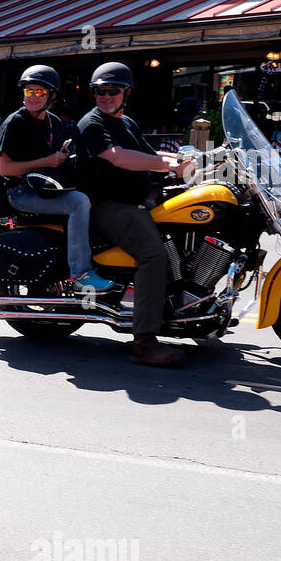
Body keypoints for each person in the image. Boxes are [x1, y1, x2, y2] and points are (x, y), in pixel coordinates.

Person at [76, 61, 194, 367]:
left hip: (135, 203)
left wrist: (188, 160)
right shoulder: (92, 124)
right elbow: (118, 158)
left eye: (112, 90)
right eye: (100, 91)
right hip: (107, 207)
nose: (105, 96)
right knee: (153, 255)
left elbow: (151, 156)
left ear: (126, 92)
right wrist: (168, 166)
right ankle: (144, 342)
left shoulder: (126, 123)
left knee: (179, 238)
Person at [0, 65, 115, 294]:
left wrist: (62, 155)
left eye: (39, 92)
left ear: (51, 96)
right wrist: (46, 161)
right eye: (28, 91)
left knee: (91, 193)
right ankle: (81, 274)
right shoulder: (15, 122)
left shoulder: (53, 121)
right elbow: (4, 168)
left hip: (46, 187)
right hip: (21, 192)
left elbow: (56, 154)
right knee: (77, 202)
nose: (32, 97)